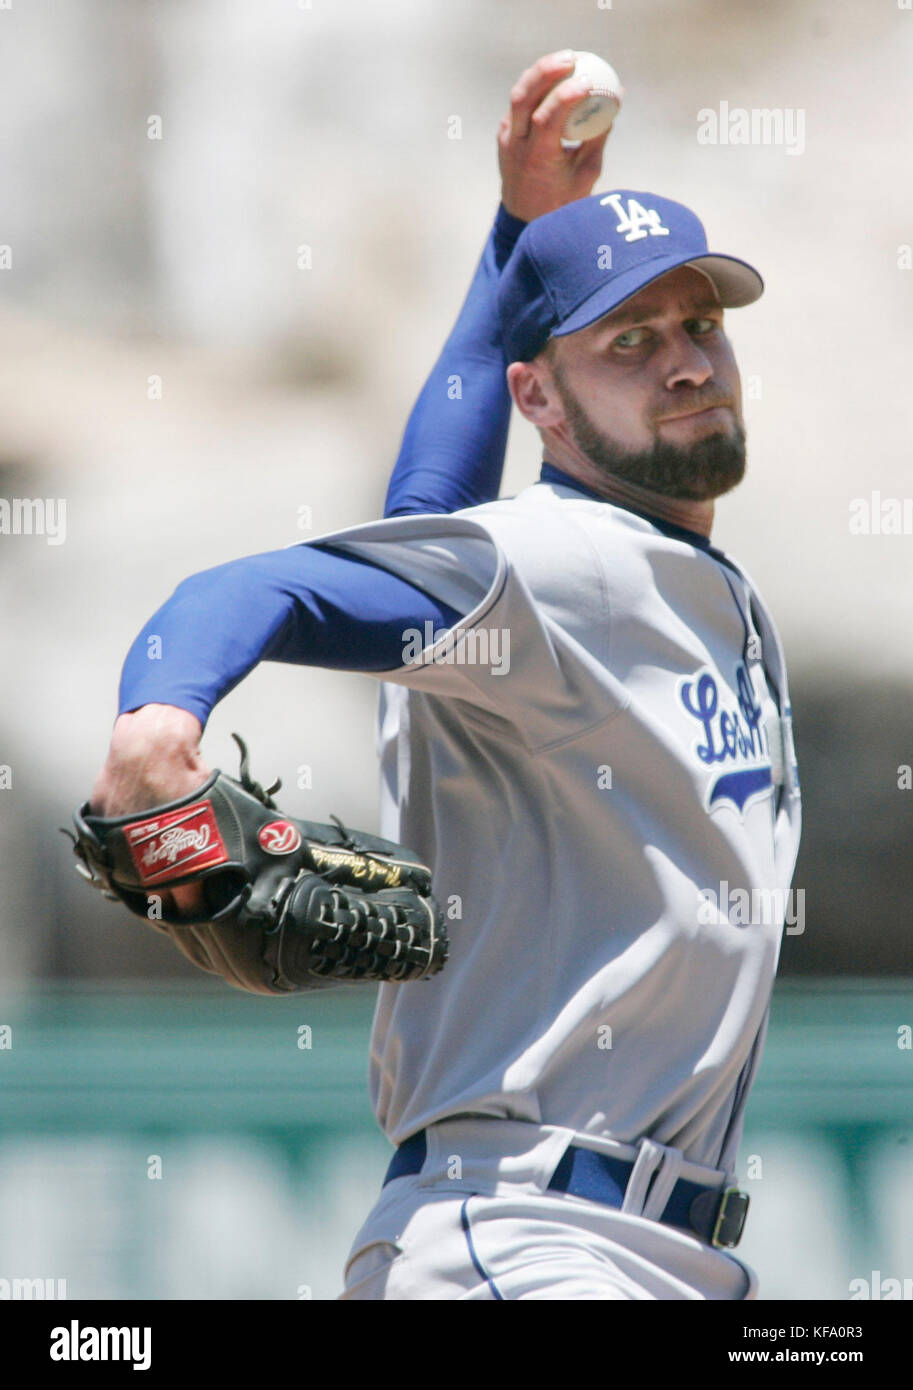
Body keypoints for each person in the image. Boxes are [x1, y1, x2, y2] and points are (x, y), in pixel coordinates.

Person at [90, 53, 801, 1300]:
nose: (685, 363)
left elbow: (424, 507)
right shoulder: (561, 562)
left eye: (699, 326)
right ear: (539, 399)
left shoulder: (654, 581)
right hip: (529, 1241)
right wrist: (158, 719)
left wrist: (520, 228)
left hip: (652, 1255)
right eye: (628, 341)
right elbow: (254, 590)